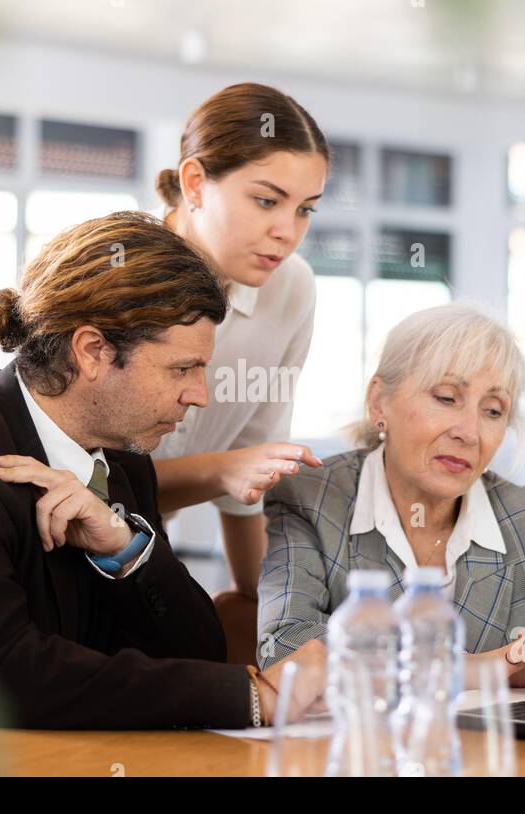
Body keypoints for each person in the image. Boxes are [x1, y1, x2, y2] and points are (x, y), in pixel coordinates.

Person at [0, 211, 324, 744]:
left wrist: (124, 547)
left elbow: (196, 652)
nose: (200, 395)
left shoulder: (121, 461)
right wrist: (249, 696)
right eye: (181, 369)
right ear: (93, 351)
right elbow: (5, 679)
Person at [255, 302, 525, 693]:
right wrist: (487, 668)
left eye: (493, 411)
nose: (469, 432)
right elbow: (287, 642)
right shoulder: (310, 497)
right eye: (446, 398)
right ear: (379, 402)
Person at [148, 82, 331, 597]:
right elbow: (92, 479)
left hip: (136, 543)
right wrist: (223, 470)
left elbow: (248, 479)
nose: (287, 231)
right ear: (196, 183)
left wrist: (263, 613)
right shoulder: (119, 275)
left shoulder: (291, 289)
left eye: (305, 209)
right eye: (266, 200)